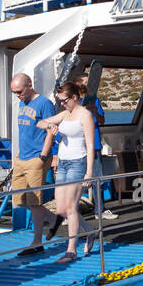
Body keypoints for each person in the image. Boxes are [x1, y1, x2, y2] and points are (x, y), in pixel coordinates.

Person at [38, 82, 97, 263]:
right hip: (62, 163)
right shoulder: (65, 114)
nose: (61, 104)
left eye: (64, 101)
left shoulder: (85, 115)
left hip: (77, 163)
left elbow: (90, 145)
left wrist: (89, 172)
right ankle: (89, 231)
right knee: (62, 208)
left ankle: (71, 250)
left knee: (71, 207)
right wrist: (50, 127)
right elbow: (40, 123)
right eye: (59, 101)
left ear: (74, 98)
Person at [9, 72, 58, 256]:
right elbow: (24, 129)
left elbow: (51, 131)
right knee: (20, 199)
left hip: (37, 158)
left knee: (35, 201)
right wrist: (18, 154)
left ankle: (37, 242)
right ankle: (53, 219)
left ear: (29, 85)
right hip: (22, 158)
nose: (18, 95)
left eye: (19, 91)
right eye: (14, 92)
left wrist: (44, 155)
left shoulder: (44, 103)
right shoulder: (23, 102)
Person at [74, 69, 116, 221]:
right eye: (85, 83)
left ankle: (100, 210)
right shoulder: (73, 101)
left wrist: (94, 111)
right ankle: (72, 213)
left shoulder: (95, 100)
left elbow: (102, 120)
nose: (87, 85)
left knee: (98, 178)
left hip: (95, 144)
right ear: (78, 84)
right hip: (78, 146)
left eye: (89, 83)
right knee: (75, 179)